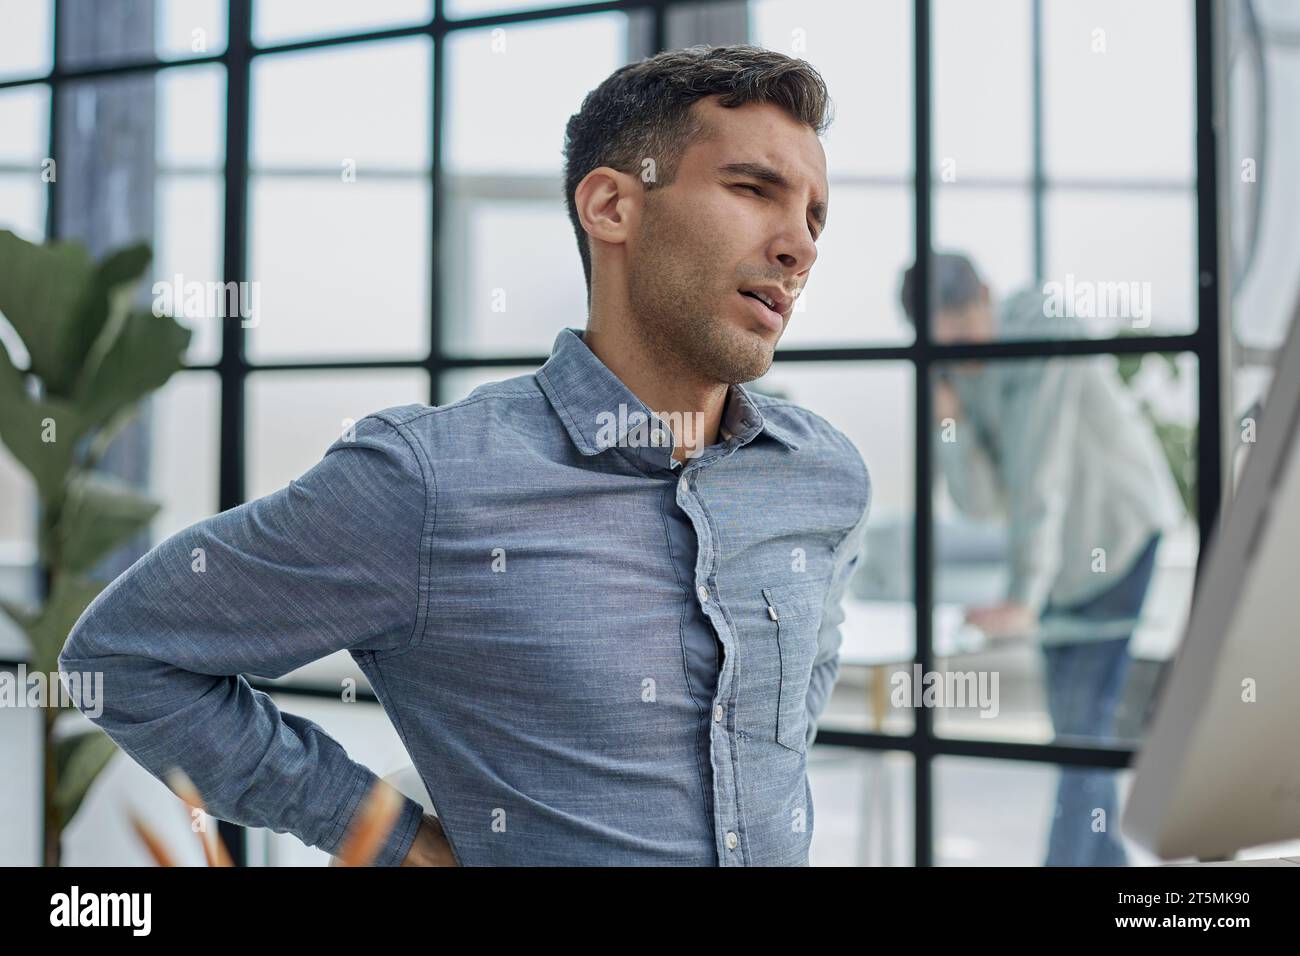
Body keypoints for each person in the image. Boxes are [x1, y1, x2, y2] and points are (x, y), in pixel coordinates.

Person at [59, 45, 870, 867]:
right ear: (611, 207)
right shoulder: (430, 481)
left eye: (814, 217)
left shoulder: (823, 477)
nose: (798, 247)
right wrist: (391, 842)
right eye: (753, 189)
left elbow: (784, 732)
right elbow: (123, 656)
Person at [899, 252, 1183, 866]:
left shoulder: (1041, 328)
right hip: (1060, 560)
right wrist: (947, 415)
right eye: (946, 347)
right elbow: (981, 502)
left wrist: (1023, 598)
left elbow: (1039, 473)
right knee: (1080, 732)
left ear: (986, 296)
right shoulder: (959, 368)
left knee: (1081, 732)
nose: (965, 355)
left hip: (1118, 536)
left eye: (966, 335)